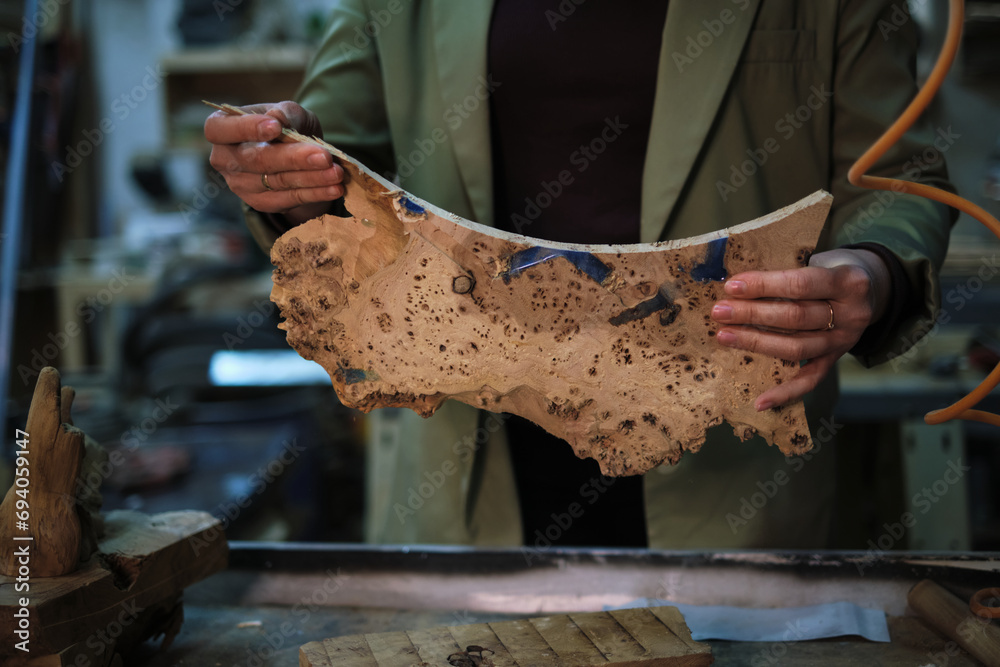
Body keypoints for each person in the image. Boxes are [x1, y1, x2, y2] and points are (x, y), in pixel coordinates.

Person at [205, 0, 954, 549]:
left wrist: (872, 270)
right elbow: (333, 165)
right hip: (468, 448)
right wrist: (281, 172)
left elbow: (900, 181)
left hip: (726, 446)